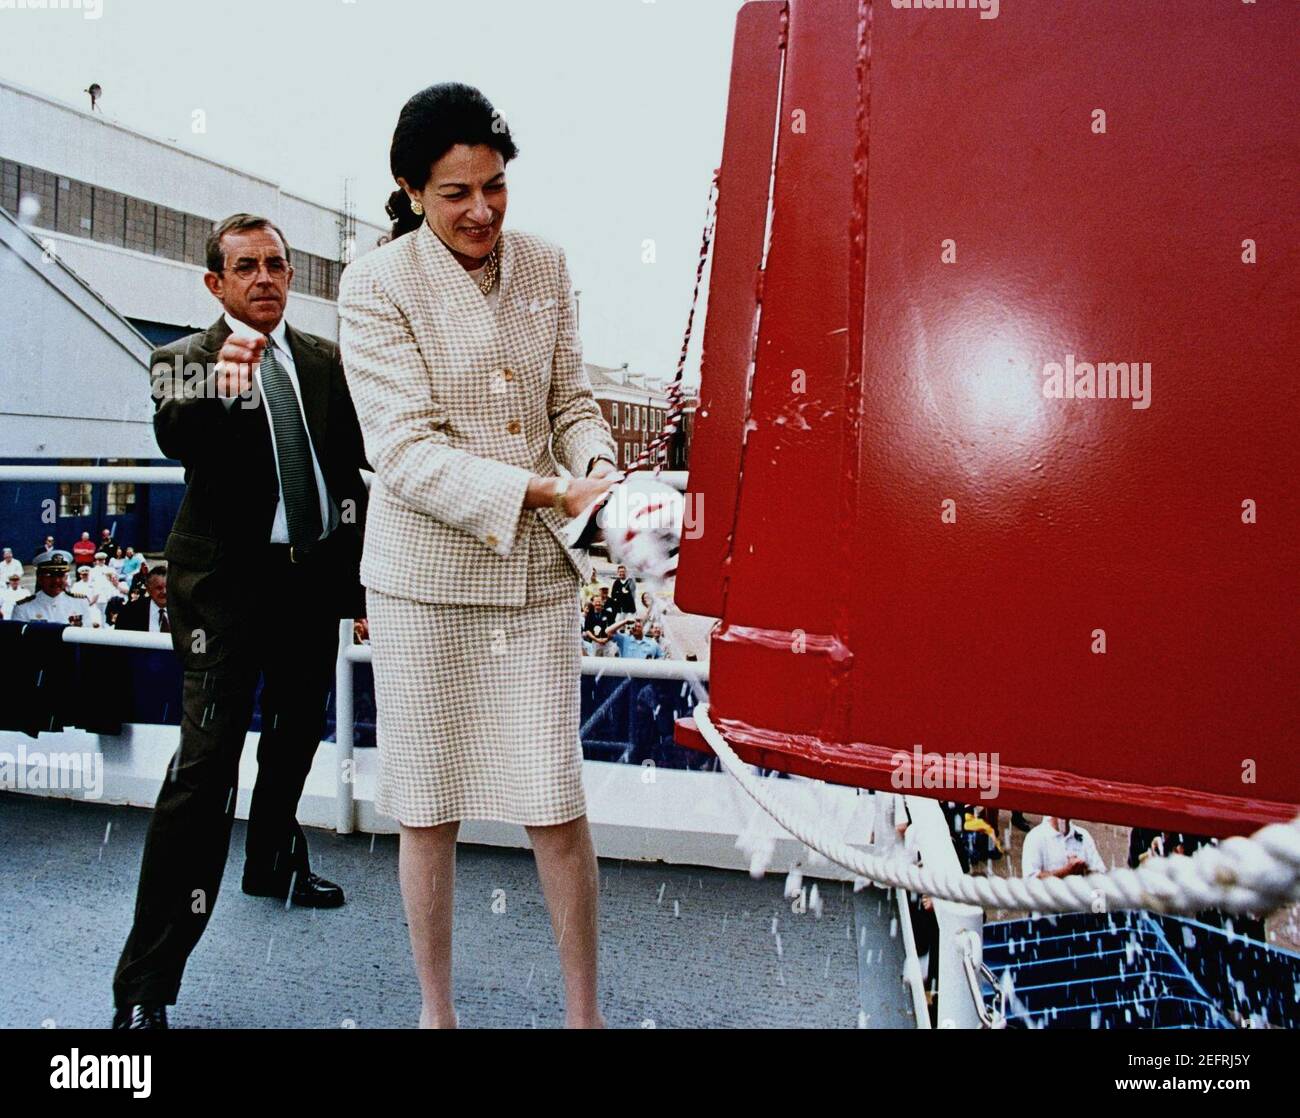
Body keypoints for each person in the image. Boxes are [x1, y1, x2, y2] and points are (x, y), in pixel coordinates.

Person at [338, 82, 619, 1030]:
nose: (483, 211)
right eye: (456, 193)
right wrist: (546, 491)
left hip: (535, 582)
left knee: (553, 800)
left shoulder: (546, 265)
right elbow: (404, 453)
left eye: (495, 186)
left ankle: (584, 1016)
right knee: (427, 804)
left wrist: (602, 465)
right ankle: (436, 1013)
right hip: (422, 581)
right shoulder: (374, 283)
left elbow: (571, 405)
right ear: (412, 191)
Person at [112, 212, 370, 1031]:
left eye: (277, 264)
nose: (265, 277)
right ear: (214, 283)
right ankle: (145, 986)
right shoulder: (182, 362)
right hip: (223, 595)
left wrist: (364, 592)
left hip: (308, 587)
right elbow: (176, 437)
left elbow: (351, 472)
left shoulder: (326, 364)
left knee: (297, 735)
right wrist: (226, 393)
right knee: (202, 776)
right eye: (246, 266)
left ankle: (271, 860)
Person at [10, 550, 84, 625]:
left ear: (66, 577)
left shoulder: (80, 603)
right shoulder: (23, 608)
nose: (56, 581)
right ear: (39, 578)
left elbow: (87, 633)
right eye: (50, 576)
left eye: (60, 575)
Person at [1021, 815, 1106, 879]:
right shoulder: (1035, 836)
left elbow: (1101, 874)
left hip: (1079, 899)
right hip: (1049, 900)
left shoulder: (1083, 835)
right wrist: (1066, 871)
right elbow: (1030, 879)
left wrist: (1085, 870)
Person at [114, 567, 169, 633]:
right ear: (148, 589)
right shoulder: (130, 611)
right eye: (159, 588)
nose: (164, 591)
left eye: (168, 587)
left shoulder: (183, 612)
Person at [582, 588, 619, 657]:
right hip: (595, 642)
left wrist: (607, 639)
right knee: (595, 662)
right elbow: (587, 630)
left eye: (600, 601)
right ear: (593, 603)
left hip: (607, 642)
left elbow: (613, 628)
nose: (598, 603)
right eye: (596, 602)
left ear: (603, 602)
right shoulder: (589, 615)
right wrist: (596, 639)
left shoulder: (608, 614)